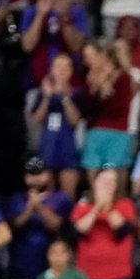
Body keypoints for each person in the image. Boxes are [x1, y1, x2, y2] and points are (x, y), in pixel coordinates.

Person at [6, 157, 73, 279]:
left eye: (40, 174)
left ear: (48, 174)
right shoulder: (17, 199)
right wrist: (30, 208)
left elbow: (59, 227)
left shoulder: (60, 198)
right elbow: (13, 226)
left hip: (53, 271)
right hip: (21, 271)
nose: (36, 178)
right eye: (31, 174)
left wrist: (39, 207)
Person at [71, 168, 137, 279]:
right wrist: (97, 208)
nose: (108, 184)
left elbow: (122, 230)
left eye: (113, 181)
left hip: (119, 275)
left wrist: (107, 208)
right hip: (88, 275)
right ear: (95, 183)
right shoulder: (82, 207)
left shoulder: (125, 205)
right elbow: (79, 231)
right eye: (104, 180)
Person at [81, 40, 136, 184]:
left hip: (117, 131)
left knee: (113, 173)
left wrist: (106, 87)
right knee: (93, 168)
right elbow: (88, 111)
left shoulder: (123, 78)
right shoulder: (91, 77)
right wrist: (93, 89)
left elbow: (117, 109)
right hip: (95, 131)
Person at [30, 53, 84, 199]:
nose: (61, 71)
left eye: (66, 67)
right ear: (51, 70)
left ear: (71, 71)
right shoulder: (43, 92)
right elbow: (37, 118)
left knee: (68, 196)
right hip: (48, 146)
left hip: (68, 147)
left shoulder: (77, 93)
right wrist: (48, 96)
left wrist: (65, 97)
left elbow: (75, 121)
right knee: (47, 195)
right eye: (58, 67)